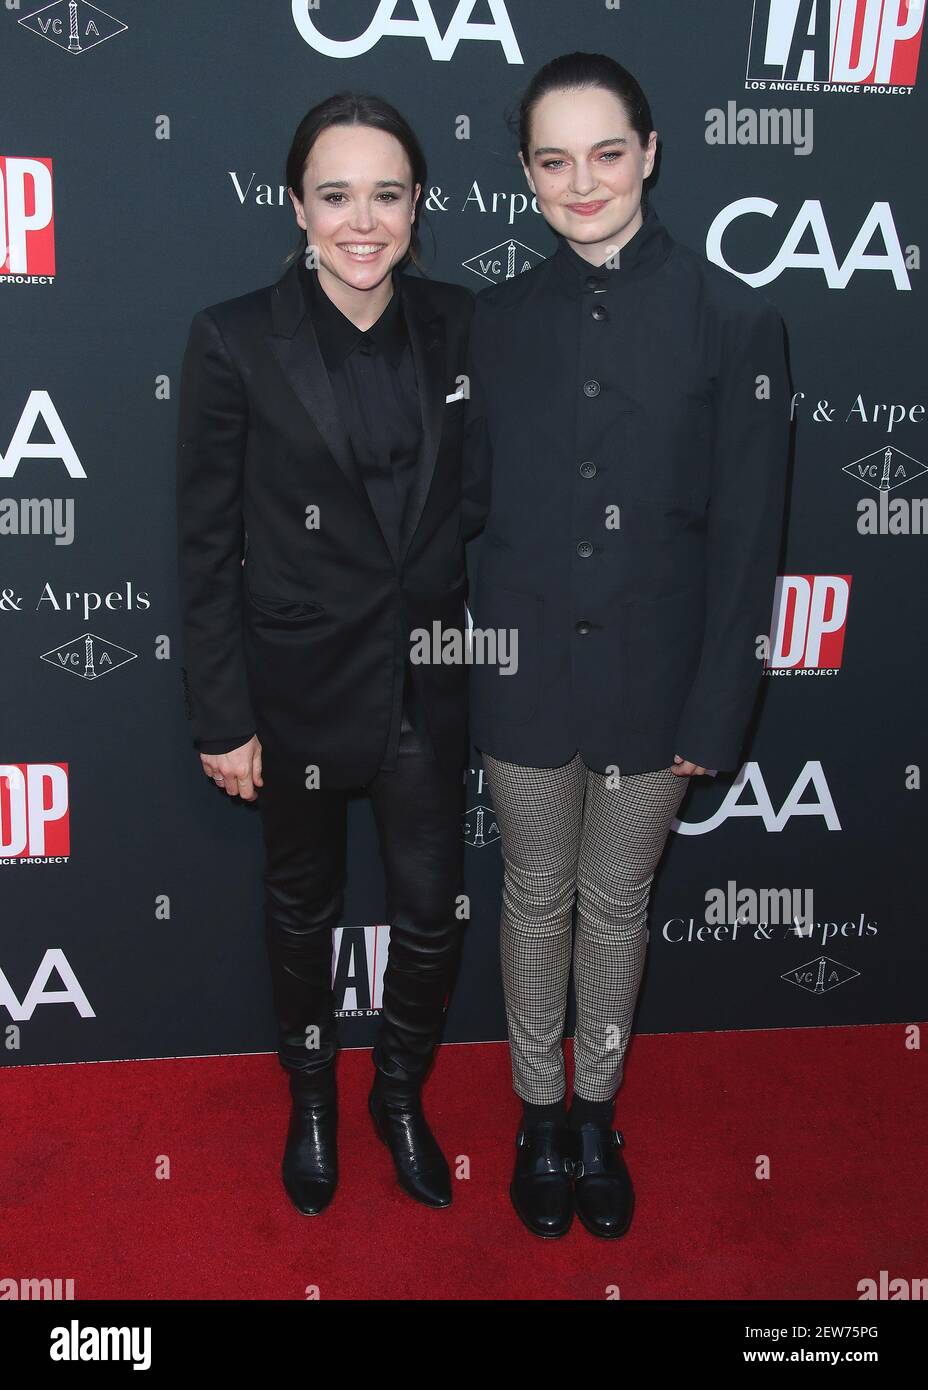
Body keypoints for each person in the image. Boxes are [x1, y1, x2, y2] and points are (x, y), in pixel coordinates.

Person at [462, 52, 790, 1239]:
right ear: (526, 176)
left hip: (658, 687)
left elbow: (749, 540)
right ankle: (536, 1115)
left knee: (615, 905)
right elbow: (460, 517)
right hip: (520, 683)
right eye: (554, 160)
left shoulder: (735, 319)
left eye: (607, 152)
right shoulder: (489, 324)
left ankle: (595, 1115)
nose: (582, 180)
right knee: (534, 895)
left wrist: (716, 711)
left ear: (649, 152)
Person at [176, 93, 474, 1216]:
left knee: (432, 909)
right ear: (296, 206)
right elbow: (205, 543)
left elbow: (480, 498)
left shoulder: (461, 324)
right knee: (301, 910)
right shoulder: (233, 337)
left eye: (386, 194)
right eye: (336, 194)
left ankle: (397, 1092)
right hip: (293, 687)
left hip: (426, 687)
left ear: (416, 205)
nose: (363, 220)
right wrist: (220, 714)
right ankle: (311, 1096)